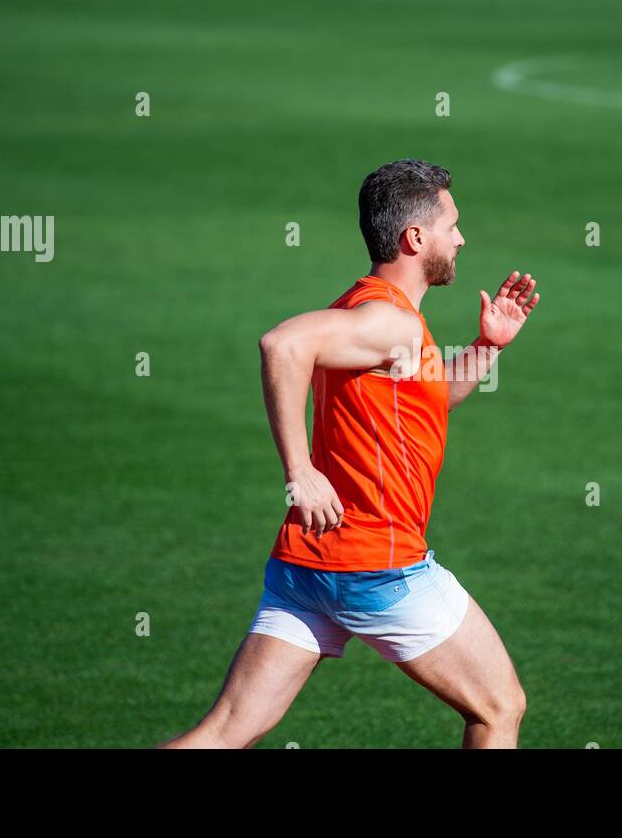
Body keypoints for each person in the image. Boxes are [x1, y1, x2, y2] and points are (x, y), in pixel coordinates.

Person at [160, 159, 540, 749]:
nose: (461, 238)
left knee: (225, 732)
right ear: (416, 238)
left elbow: (428, 402)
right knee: (499, 707)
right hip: (377, 565)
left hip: (307, 565)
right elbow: (282, 345)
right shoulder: (391, 321)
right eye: (452, 225)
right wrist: (300, 471)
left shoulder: (374, 315)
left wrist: (488, 346)